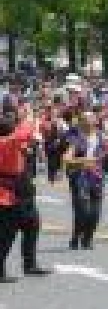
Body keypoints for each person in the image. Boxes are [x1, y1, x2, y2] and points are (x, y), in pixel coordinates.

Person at [0, 111, 51, 282]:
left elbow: (26, 139)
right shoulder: (7, 142)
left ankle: (30, 264)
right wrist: (30, 119)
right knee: (7, 234)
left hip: (22, 191)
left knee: (32, 225)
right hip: (10, 194)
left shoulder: (12, 142)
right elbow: (24, 133)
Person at [62, 112, 106, 250]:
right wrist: (84, 161)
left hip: (96, 177)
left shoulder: (100, 136)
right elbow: (66, 158)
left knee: (95, 211)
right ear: (81, 123)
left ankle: (88, 238)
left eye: (92, 119)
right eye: (85, 120)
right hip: (79, 176)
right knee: (82, 210)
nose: (89, 122)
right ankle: (76, 236)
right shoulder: (76, 137)